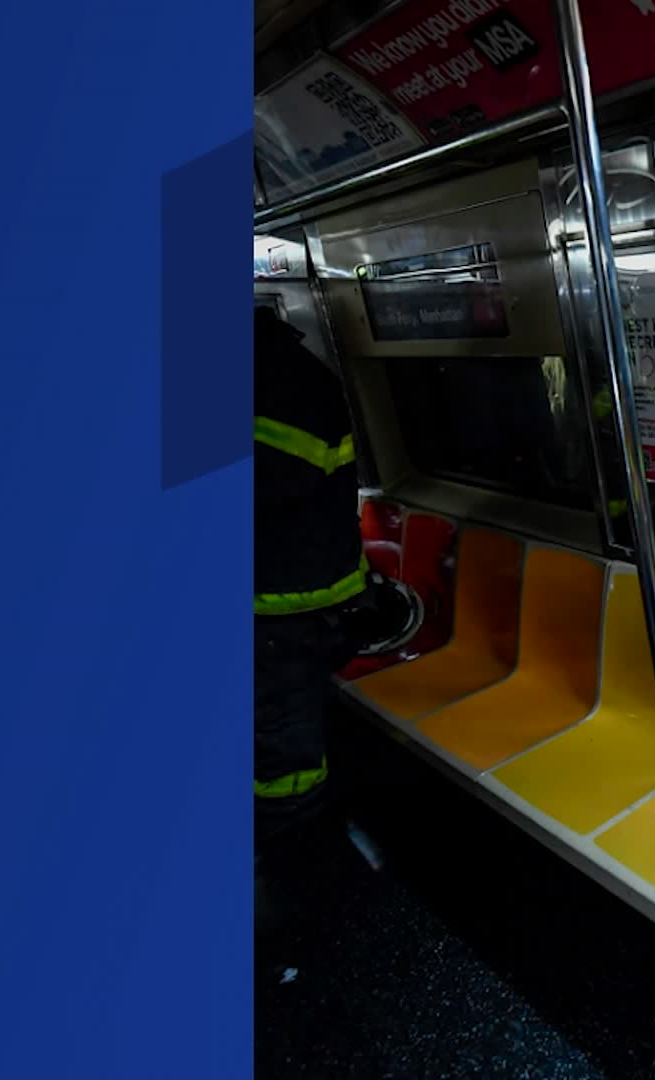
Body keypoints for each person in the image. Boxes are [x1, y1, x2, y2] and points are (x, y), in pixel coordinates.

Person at [253, 308, 402, 911]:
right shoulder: (289, 371)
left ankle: (300, 876)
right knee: (288, 737)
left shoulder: (274, 381)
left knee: (284, 755)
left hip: (284, 608)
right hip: (306, 596)